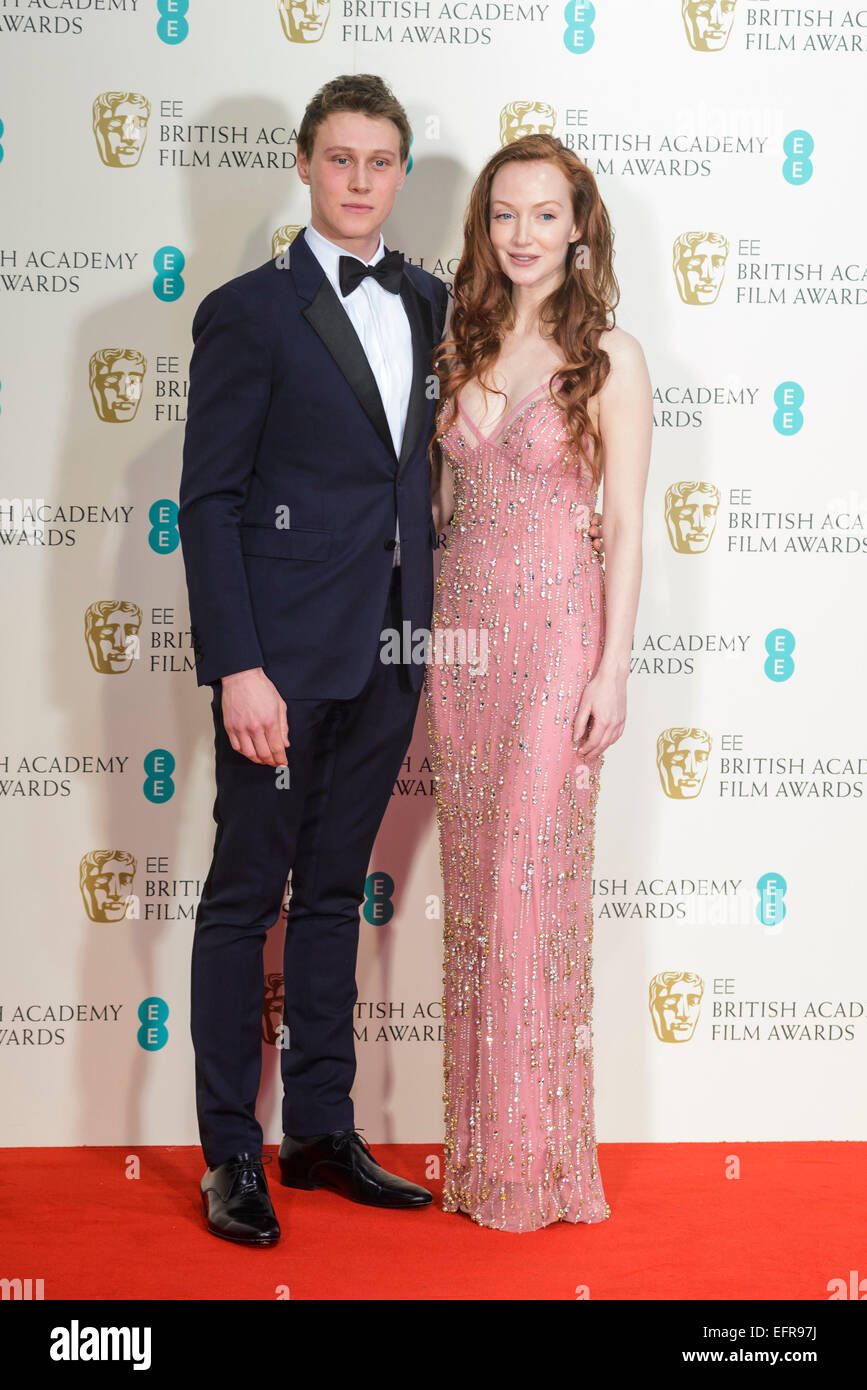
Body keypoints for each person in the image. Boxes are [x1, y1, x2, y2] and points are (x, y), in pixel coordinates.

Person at [177, 73, 449, 1245]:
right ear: (302, 165)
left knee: (335, 893)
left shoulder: (435, 301)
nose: (358, 182)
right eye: (338, 159)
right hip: (279, 663)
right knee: (247, 898)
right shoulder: (248, 310)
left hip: (394, 645)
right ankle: (231, 1151)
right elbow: (208, 502)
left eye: (379, 162)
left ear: (400, 172)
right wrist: (239, 665)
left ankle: (321, 1130)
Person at [426, 133, 652, 1232]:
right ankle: (483, 1153)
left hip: (561, 639)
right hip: (461, 649)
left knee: (525, 886)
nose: (522, 234)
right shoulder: (457, 343)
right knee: (478, 897)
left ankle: (537, 1165)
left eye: (544, 215)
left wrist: (613, 669)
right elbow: (433, 514)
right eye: (504, 215)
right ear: (487, 228)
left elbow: (626, 532)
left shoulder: (610, 354)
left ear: (580, 226)